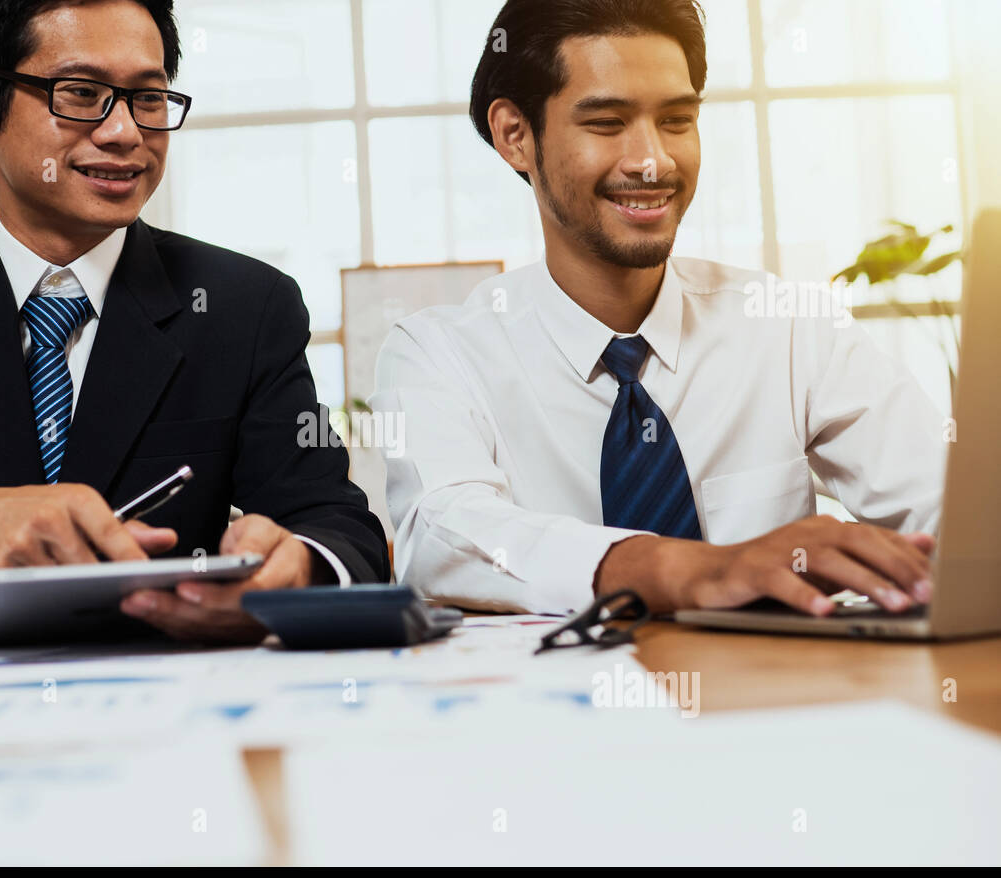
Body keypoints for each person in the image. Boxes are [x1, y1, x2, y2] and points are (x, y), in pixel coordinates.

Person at [0, 0, 388, 642]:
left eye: (149, 98)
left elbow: (340, 530)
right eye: (81, 93)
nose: (124, 133)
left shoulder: (246, 306)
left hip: (171, 705)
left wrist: (299, 566)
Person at [372, 0, 943, 617]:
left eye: (676, 120)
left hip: (770, 699)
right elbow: (443, 535)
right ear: (517, 136)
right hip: (550, 705)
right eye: (607, 122)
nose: (653, 161)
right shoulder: (439, 354)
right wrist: (682, 569)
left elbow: (953, 510)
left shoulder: (791, 327)